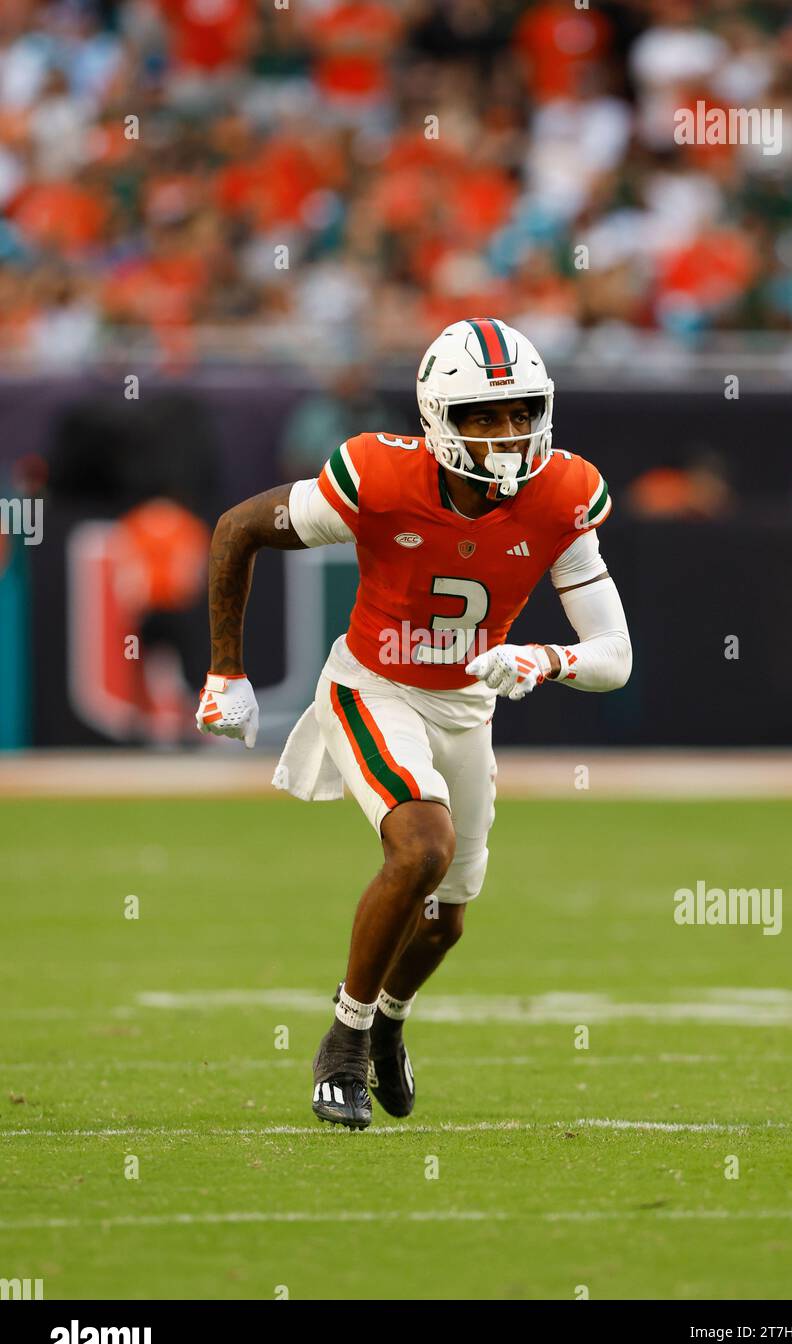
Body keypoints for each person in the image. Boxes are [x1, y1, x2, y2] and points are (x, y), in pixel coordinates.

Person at [196, 317, 632, 1130]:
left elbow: (614, 653)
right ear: (439, 417)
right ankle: (345, 1043)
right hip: (374, 686)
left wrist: (546, 660)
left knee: (447, 920)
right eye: (482, 415)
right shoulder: (379, 477)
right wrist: (226, 667)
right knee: (422, 846)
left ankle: (390, 1020)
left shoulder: (564, 492)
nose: (507, 434)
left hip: (467, 708)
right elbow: (238, 528)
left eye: (519, 411)